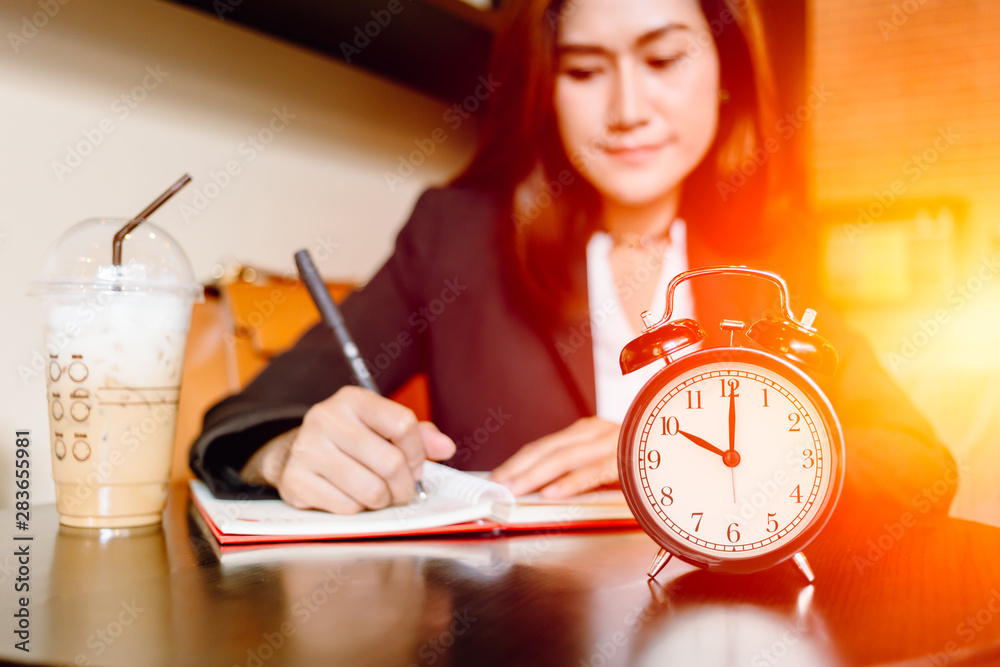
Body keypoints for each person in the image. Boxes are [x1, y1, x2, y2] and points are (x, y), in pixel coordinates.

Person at [190, 0, 957, 521]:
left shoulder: (767, 263)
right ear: (545, 90)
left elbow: (915, 463)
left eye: (664, 61)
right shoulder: (455, 236)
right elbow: (241, 419)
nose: (627, 109)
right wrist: (286, 451)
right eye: (585, 71)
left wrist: (702, 456)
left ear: (725, 76)